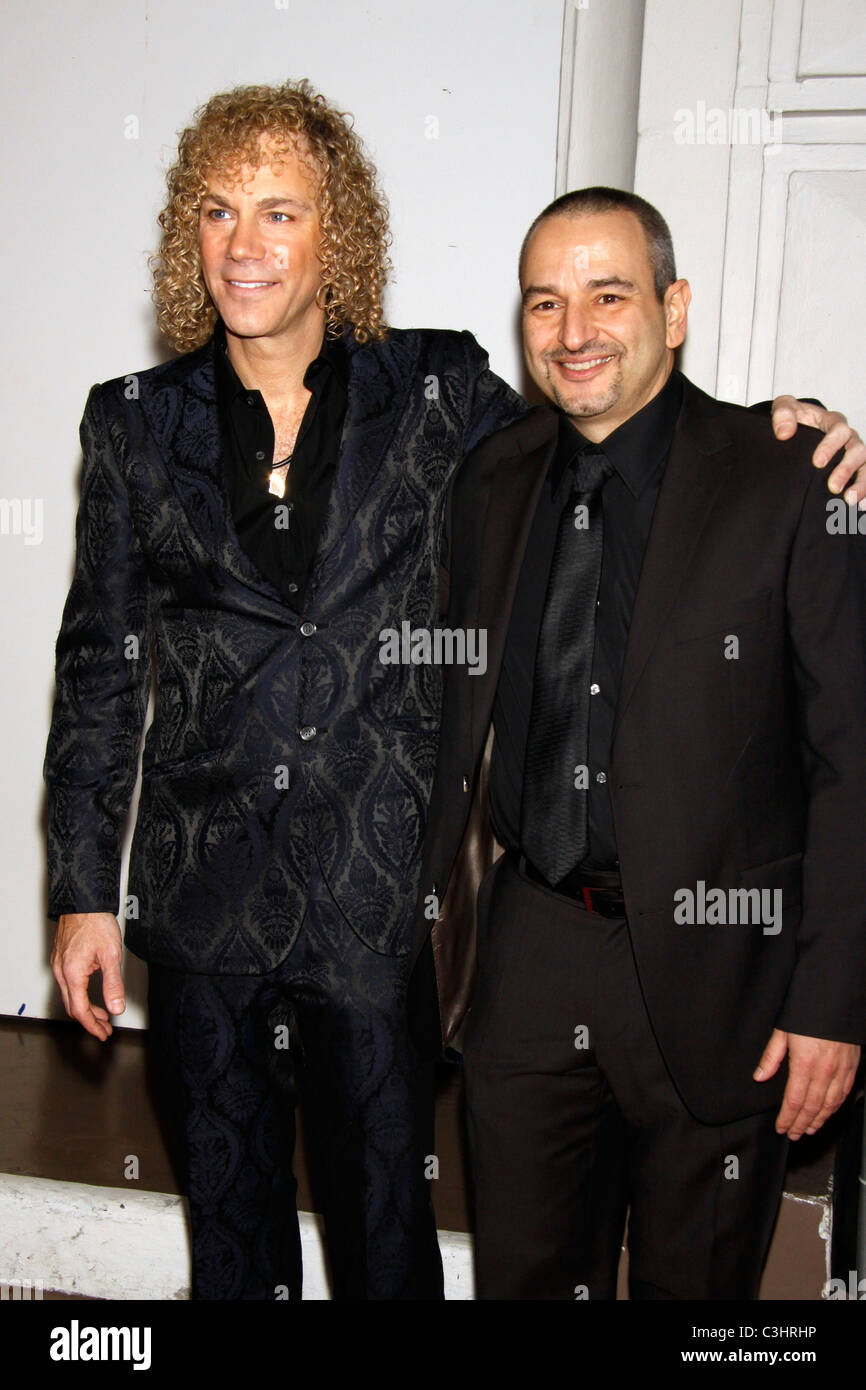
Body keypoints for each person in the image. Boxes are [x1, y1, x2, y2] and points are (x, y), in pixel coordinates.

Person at [43, 77, 863, 1301]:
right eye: (219, 211)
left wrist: (777, 429)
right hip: (201, 903)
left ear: (339, 235)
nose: (246, 244)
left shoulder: (435, 397)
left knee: (389, 1242)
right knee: (231, 1238)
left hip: (377, 916)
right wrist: (78, 893)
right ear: (189, 233)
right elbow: (98, 670)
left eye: (281, 211)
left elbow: (611, 409)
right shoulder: (129, 423)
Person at [413, 187, 866, 1300]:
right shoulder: (491, 479)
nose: (573, 333)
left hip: (724, 966)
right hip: (530, 948)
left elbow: (850, 761)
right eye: (544, 303)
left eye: (607, 295)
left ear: (674, 308)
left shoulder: (790, 477)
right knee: (522, 1277)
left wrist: (831, 1003)